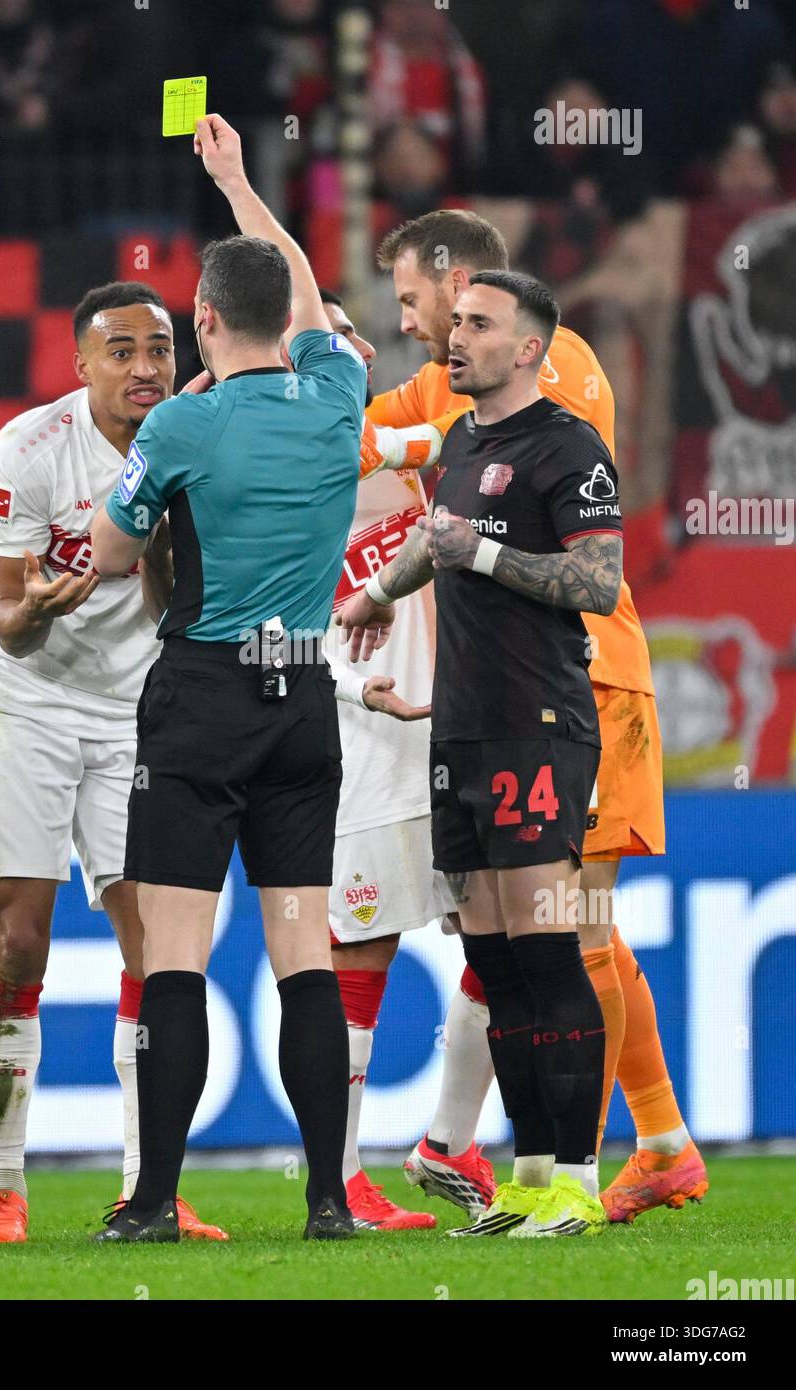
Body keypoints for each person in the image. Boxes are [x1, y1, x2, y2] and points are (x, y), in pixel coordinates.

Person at [364, 209, 706, 1225]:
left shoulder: (547, 368)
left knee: (564, 932)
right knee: (553, 935)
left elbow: (543, 544)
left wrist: (406, 442)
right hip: (497, 695)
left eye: (418, 301)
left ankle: (553, 1170)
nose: (417, 323)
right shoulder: (452, 398)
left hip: (585, 681)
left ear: (467, 290)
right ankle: (648, 1144)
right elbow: (357, 436)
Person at [90, 114, 368, 1243]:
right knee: (304, 949)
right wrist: (241, 185)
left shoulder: (182, 423)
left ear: (201, 321)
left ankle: (153, 1198)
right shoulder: (338, 389)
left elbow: (112, 554)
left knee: (174, 957)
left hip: (202, 696)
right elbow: (299, 290)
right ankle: (323, 1200)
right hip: (303, 697)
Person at [339, 270, 619, 1236]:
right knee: (495, 965)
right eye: (453, 321)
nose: (454, 339)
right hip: (457, 727)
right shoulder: (461, 439)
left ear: (530, 348)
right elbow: (436, 534)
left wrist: (486, 556)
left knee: (547, 955)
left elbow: (595, 580)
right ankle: (529, 1174)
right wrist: (378, 591)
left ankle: (576, 1181)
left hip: (536, 726)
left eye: (478, 325)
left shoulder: (568, 449)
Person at [0, 279, 225, 1245]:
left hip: (132, 710)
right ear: (81, 366)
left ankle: (148, 1189)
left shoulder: (196, 440)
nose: (147, 367)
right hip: (17, 695)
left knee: (157, 947)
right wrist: (44, 606)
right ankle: (2, 1187)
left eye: (160, 348)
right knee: (20, 939)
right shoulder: (25, 452)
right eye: (123, 351)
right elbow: (11, 625)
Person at [318, 290, 493, 1228]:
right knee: (359, 958)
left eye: (354, 336)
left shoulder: (411, 453)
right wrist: (352, 692)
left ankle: (449, 1140)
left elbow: (477, 428)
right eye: (328, 338)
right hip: (364, 752)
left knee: (501, 934)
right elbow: (255, 633)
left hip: (457, 735)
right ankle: (342, 1177)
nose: (350, 349)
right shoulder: (281, 488)